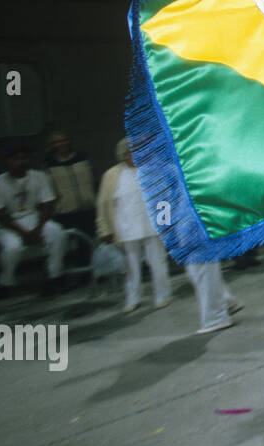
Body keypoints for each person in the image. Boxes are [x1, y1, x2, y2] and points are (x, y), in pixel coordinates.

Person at [96, 138, 171, 312]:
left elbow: (164, 197)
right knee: (131, 266)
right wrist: (104, 229)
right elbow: (102, 204)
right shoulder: (112, 175)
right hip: (125, 227)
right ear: (123, 155)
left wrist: (166, 222)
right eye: (130, 151)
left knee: (157, 262)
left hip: (152, 226)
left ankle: (163, 295)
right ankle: (133, 298)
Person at [0, 142, 65, 292]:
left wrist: (38, 229)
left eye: (24, 158)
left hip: (33, 217)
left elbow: (47, 205)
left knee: (57, 232)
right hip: (6, 225)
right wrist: (24, 233)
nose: (20, 162)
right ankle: (5, 282)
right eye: (15, 159)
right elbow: (1, 216)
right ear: (6, 161)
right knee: (13, 247)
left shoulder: (40, 176)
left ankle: (55, 276)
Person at [44, 130, 97, 262]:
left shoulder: (83, 157)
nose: (62, 144)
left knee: (88, 243)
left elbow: (91, 180)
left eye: (64, 140)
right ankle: (71, 275)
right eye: (57, 142)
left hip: (88, 209)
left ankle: (89, 274)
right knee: (66, 246)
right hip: (65, 212)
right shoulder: (48, 164)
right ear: (52, 145)